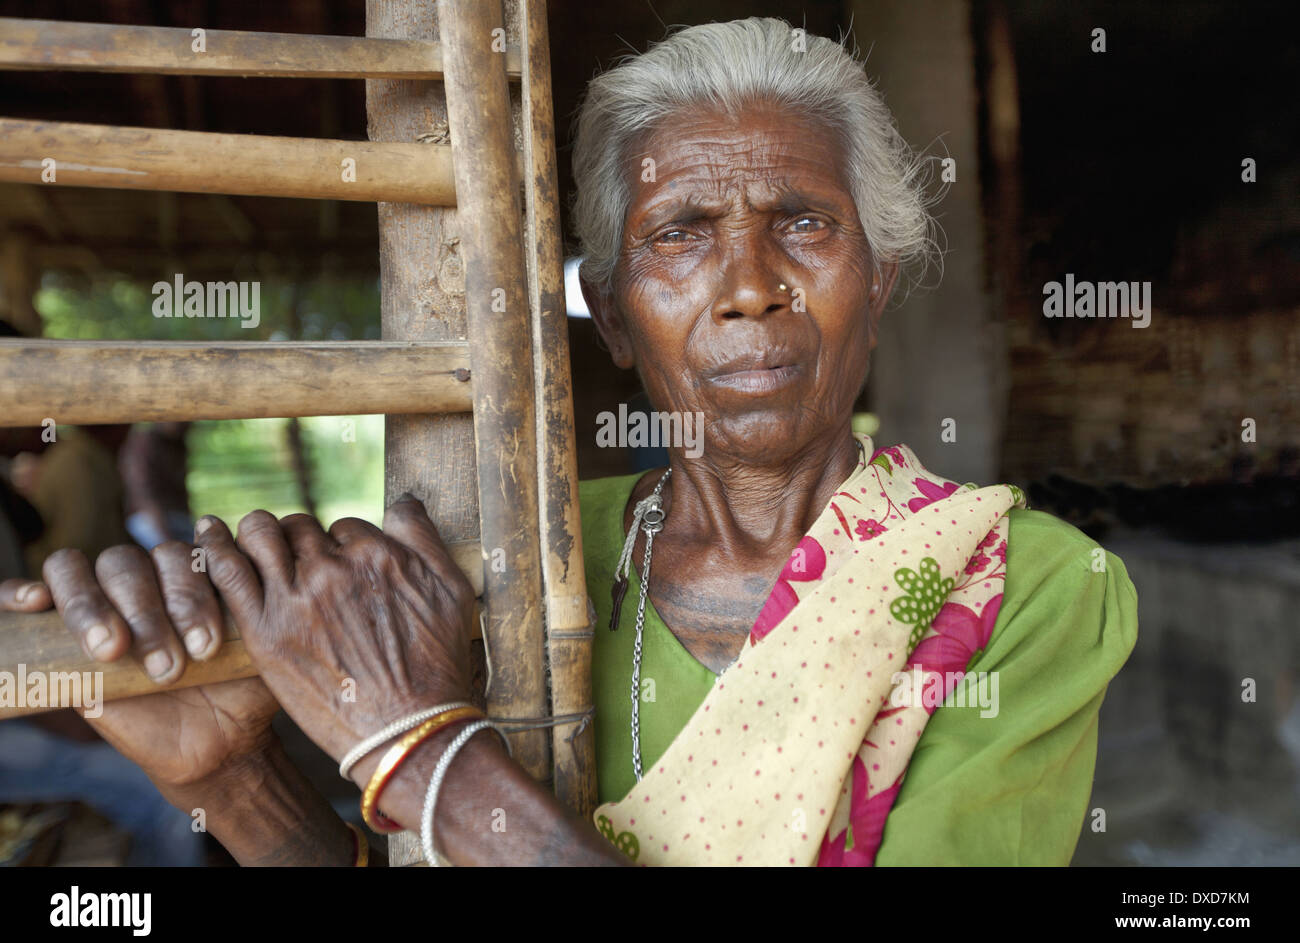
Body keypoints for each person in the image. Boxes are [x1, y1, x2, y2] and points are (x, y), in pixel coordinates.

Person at [0, 18, 1136, 866]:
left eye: (802, 223)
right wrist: (238, 781)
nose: (748, 287)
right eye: (682, 234)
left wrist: (424, 753)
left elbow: (427, 767)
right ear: (617, 311)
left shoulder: (1019, 585)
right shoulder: (504, 562)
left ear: (876, 282)